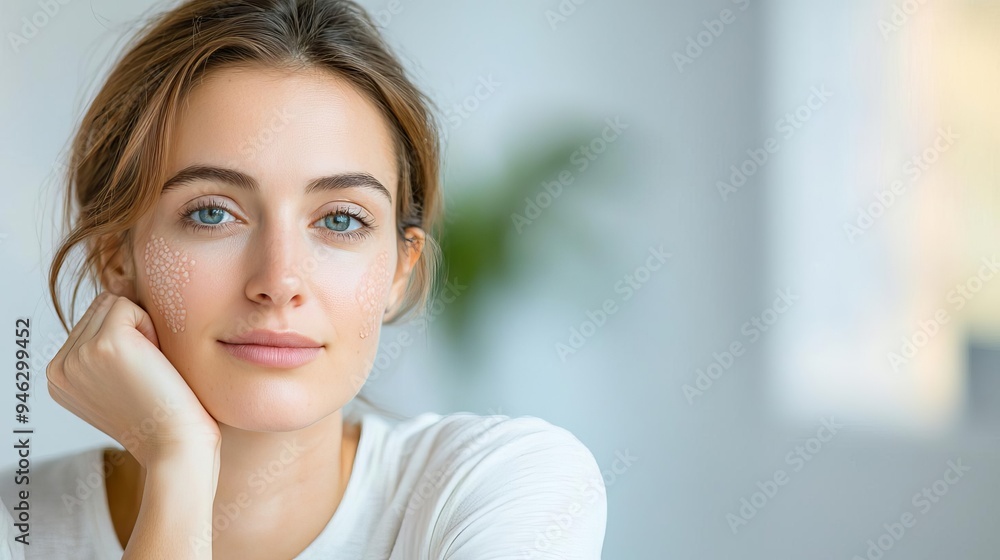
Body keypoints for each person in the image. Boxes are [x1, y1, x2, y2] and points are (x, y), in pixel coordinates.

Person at [0, 0, 607, 558]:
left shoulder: (500, 488)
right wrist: (177, 468)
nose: (279, 280)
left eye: (340, 219)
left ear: (401, 268)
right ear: (116, 257)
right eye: (212, 213)